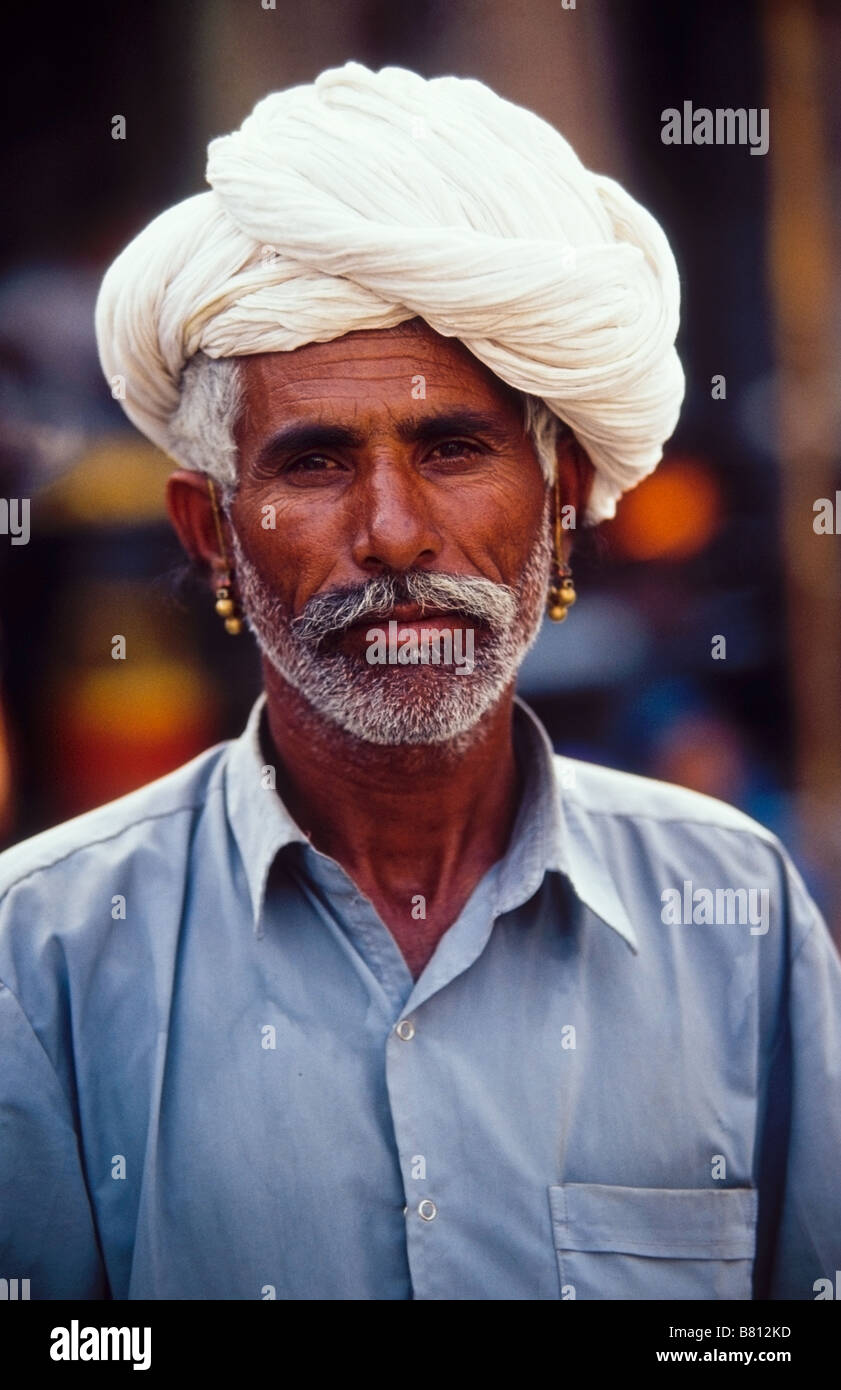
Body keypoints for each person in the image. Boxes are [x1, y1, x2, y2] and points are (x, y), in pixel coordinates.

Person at [1, 63, 839, 1302]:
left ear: (559, 504)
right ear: (208, 531)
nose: (393, 534)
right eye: (319, 461)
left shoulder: (738, 911)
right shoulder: (43, 950)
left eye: (452, 450)